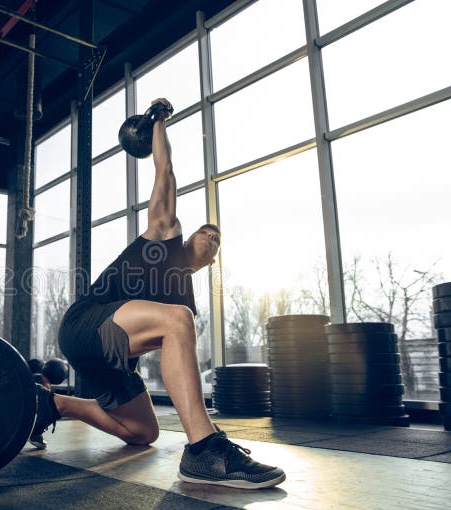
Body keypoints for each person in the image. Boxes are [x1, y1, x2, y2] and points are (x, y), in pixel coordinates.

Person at [29, 98, 286, 489]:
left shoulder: (184, 299)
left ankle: (52, 404)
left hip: (110, 361)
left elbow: (176, 362)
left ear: (213, 262)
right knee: (176, 321)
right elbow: (164, 171)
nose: (212, 238)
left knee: (142, 433)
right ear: (188, 234)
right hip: (85, 325)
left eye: (218, 240)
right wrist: (159, 122)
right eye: (207, 232)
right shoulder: (163, 240)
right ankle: (203, 452)